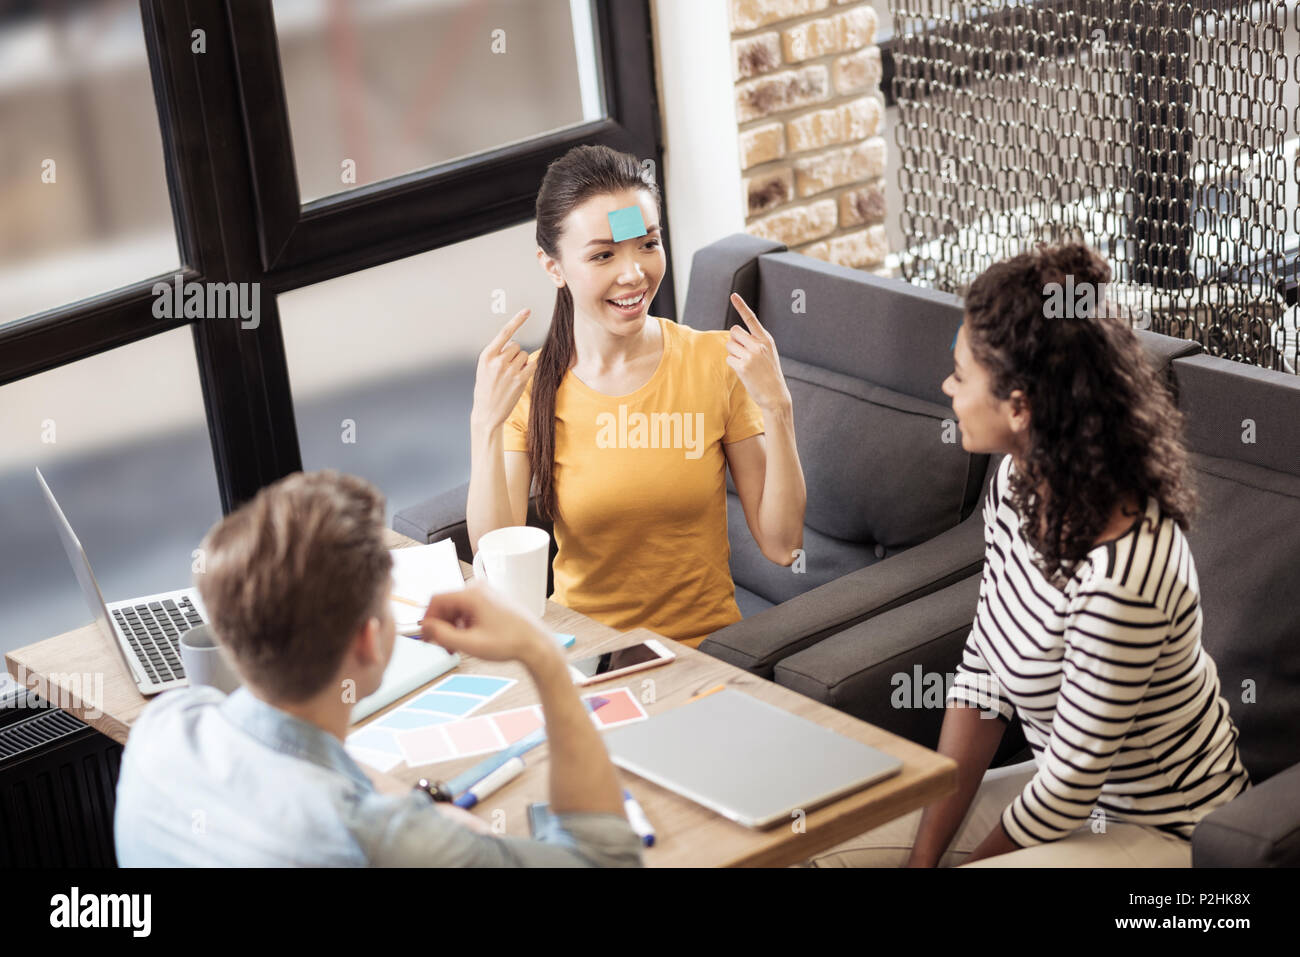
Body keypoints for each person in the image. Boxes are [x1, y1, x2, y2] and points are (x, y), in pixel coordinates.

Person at [813, 243, 1251, 867]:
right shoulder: (1018, 480)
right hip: (1060, 795)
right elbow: (984, 674)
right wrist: (922, 858)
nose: (947, 387)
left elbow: (1070, 788)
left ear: (1019, 406)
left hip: (1164, 832)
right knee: (819, 845)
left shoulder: (1127, 571)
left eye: (962, 375)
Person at [114, 469, 643, 867]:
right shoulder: (375, 841)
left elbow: (292, 762)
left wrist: (419, 819)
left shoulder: (163, 729)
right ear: (369, 640)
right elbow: (607, 856)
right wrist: (542, 656)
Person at [466, 144, 806, 647]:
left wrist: (778, 408)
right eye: (603, 254)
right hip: (585, 654)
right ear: (553, 267)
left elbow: (782, 546)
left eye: (647, 244)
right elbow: (496, 565)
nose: (634, 273)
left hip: (702, 659)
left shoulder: (714, 363)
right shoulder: (531, 386)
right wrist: (484, 425)